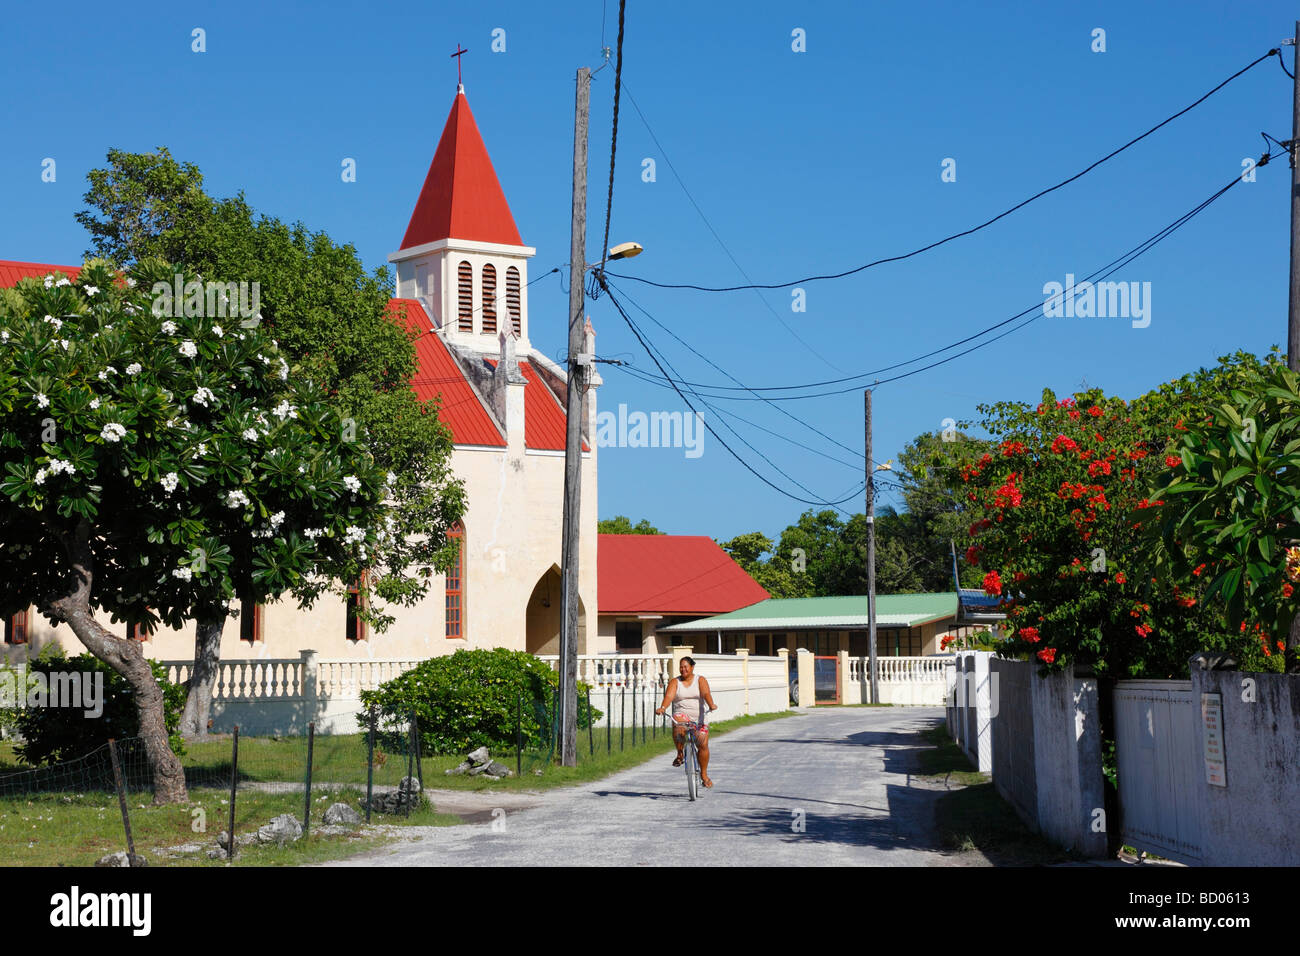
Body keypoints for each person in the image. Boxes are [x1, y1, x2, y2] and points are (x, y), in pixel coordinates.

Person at [655, 656, 717, 788]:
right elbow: (669, 696)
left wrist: (711, 705)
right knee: (677, 722)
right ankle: (680, 753)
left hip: (698, 717)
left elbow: (706, 693)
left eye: (685, 667)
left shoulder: (700, 680)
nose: (683, 670)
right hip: (682, 715)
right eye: (681, 667)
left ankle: (704, 775)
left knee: (703, 744)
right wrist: (663, 707)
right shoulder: (675, 682)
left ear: (692, 667)